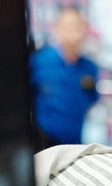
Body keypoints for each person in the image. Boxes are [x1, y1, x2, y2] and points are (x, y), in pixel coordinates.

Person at [29, 6, 100, 148]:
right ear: (58, 28)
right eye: (69, 26)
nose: (74, 31)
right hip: (42, 142)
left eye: (78, 26)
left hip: (74, 142)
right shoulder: (39, 61)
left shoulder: (89, 68)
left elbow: (91, 99)